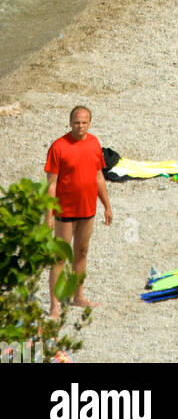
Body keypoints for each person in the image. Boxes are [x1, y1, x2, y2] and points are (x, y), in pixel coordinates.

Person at [45, 105, 112, 319]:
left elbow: (99, 177)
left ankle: (78, 296)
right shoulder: (59, 147)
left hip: (87, 209)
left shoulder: (94, 143)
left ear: (89, 123)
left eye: (84, 122)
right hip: (65, 211)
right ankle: (54, 304)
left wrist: (107, 205)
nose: (80, 126)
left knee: (82, 253)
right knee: (60, 257)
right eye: (76, 122)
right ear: (70, 122)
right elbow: (51, 184)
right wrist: (49, 214)